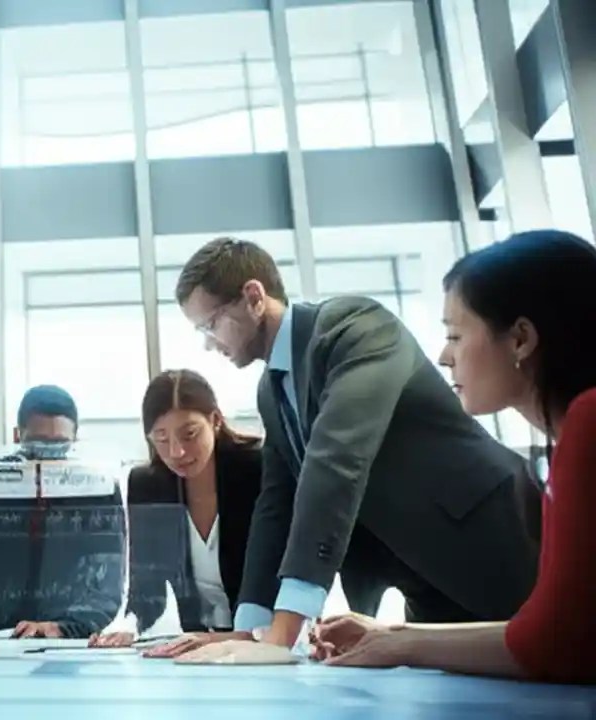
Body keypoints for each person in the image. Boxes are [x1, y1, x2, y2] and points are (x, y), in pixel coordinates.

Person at [150, 237, 541, 659]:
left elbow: (337, 460)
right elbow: (276, 504)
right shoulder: (271, 390)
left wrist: (281, 637)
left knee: (561, 678)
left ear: (253, 297)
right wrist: (247, 630)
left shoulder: (353, 328)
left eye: (211, 324)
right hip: (425, 579)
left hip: (492, 537)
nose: (209, 343)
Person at [314, 230, 596, 684]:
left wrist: (403, 644)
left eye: (455, 335)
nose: (445, 356)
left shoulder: (588, 422)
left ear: (521, 338)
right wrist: (394, 635)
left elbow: (553, 643)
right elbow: (554, 629)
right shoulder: (570, 438)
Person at [0, 385, 126, 640]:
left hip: (69, 638)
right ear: (18, 435)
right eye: (39, 444)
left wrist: (66, 627)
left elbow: (108, 579)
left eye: (59, 445)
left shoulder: (99, 490)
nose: (47, 457)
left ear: (75, 439)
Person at [90, 369, 262, 647]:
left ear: (215, 421)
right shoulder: (147, 484)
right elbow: (146, 586)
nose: (176, 452)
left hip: (265, 637)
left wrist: (245, 635)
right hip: (198, 640)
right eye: (161, 439)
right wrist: (128, 626)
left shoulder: (258, 470)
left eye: (189, 434)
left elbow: (278, 571)